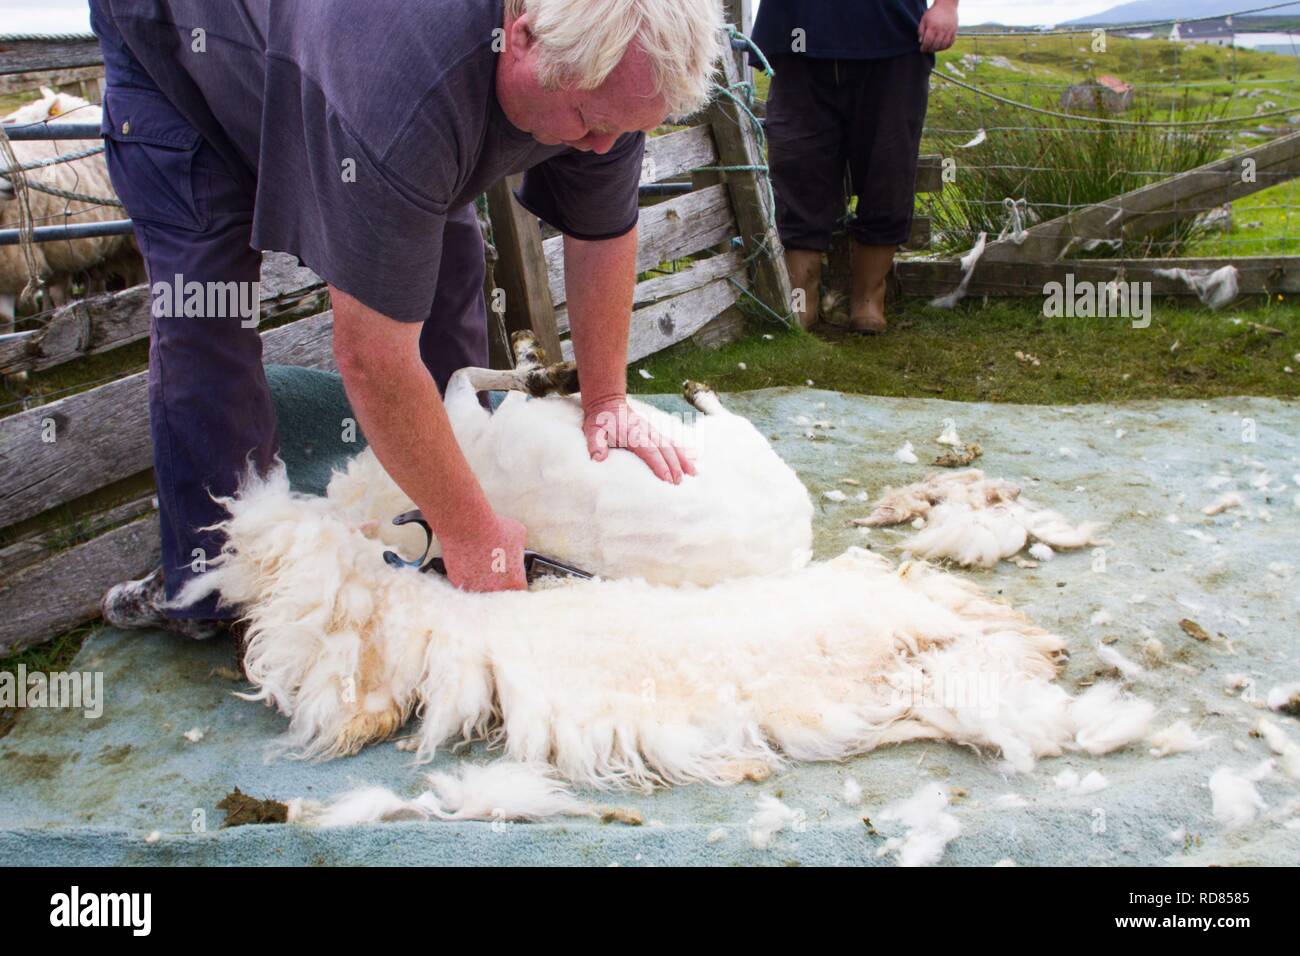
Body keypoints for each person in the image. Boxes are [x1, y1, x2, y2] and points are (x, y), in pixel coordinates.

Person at [90, 0, 725, 637]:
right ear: (524, 37)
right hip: (181, 58)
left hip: (364, 79)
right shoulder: (402, 90)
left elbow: (604, 231)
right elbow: (371, 357)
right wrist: (473, 534)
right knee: (207, 304)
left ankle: (450, 496)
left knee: (450, 265)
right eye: (590, 121)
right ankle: (217, 582)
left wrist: (607, 397)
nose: (601, 147)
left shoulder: (605, 65)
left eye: (625, 128)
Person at [751, 0, 958, 332]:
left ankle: (868, 299)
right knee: (796, 168)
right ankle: (802, 301)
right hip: (795, 31)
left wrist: (947, 6)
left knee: (888, 169)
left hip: (893, 33)